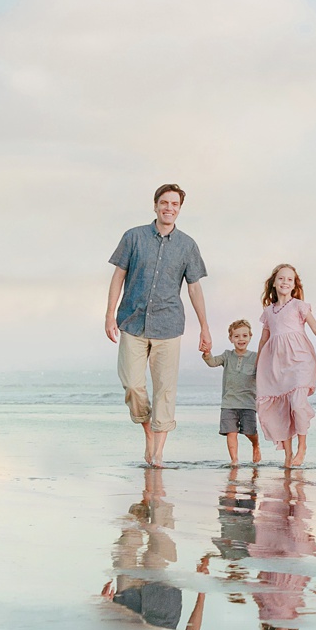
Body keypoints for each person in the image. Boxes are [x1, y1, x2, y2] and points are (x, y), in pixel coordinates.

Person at [105, 183, 211, 467]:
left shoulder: (187, 245)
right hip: (132, 321)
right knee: (133, 385)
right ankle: (147, 429)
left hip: (168, 324)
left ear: (179, 209)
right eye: (164, 203)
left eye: (174, 204)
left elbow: (194, 288)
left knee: (165, 389)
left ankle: (157, 452)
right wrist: (109, 314)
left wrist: (205, 327)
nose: (169, 208)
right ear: (155, 205)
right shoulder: (133, 237)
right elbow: (118, 276)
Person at [255, 263, 316, 470]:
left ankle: (302, 447)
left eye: (289, 279)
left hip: (300, 360)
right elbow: (263, 341)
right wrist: (258, 367)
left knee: (297, 403)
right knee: (281, 410)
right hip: (275, 365)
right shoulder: (268, 311)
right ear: (274, 283)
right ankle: (288, 454)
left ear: (294, 285)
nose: (285, 282)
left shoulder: (299, 306)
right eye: (281, 278)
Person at [202, 319, 261, 466]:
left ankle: (255, 445)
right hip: (229, 402)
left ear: (250, 337)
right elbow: (212, 362)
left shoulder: (256, 357)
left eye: (244, 336)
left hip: (248, 403)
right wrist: (207, 353)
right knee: (231, 432)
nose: (241, 339)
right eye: (237, 336)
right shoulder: (227, 355)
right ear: (231, 338)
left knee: (249, 431)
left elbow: (266, 374)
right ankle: (234, 459)